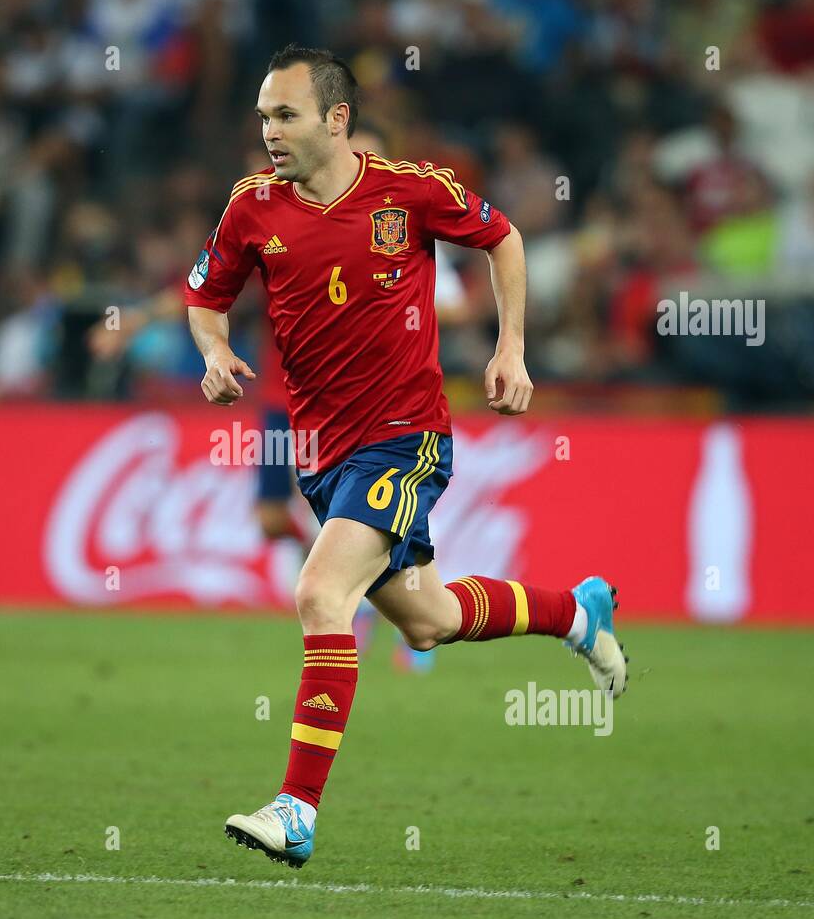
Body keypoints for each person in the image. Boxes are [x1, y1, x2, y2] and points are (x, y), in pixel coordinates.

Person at [185, 46, 630, 868]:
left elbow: (504, 239)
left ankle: (296, 809)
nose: (270, 131)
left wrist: (512, 348)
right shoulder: (252, 207)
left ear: (336, 119)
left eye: (285, 115)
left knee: (320, 592)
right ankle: (578, 613)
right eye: (264, 116)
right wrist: (213, 352)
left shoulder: (411, 191)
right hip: (321, 455)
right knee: (429, 622)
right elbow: (205, 299)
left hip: (404, 438)